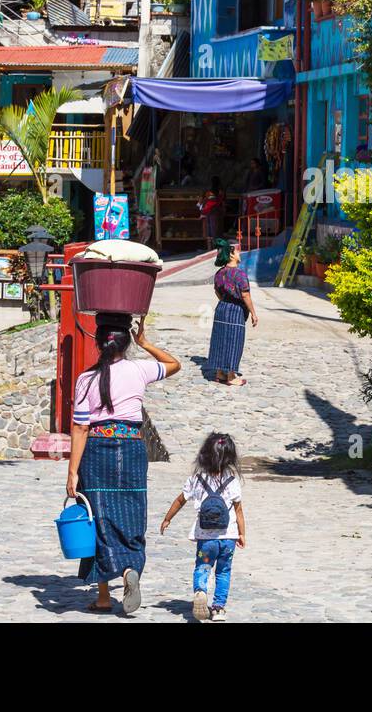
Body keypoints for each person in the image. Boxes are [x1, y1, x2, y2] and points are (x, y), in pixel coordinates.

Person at [66, 317, 181, 615]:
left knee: (99, 519)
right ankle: (130, 566)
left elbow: (80, 429)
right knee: (131, 511)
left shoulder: (85, 379)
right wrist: (145, 344)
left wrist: (72, 472)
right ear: (126, 343)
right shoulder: (139, 369)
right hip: (131, 447)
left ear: (97, 343)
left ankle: (104, 597)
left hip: (96, 451)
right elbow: (173, 364)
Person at [159, 432, 246, 622]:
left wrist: (167, 519)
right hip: (228, 538)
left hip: (206, 539)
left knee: (203, 566)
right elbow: (239, 511)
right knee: (223, 571)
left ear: (204, 454)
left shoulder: (197, 479)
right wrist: (242, 534)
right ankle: (219, 609)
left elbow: (180, 500)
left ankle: (200, 591)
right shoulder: (233, 481)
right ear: (230, 457)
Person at [207, 239, 257, 386]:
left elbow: (216, 291)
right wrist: (253, 313)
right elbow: (245, 295)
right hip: (235, 310)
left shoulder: (219, 273)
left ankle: (220, 373)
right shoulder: (239, 274)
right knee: (234, 341)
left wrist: (224, 300)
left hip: (221, 308)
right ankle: (231, 376)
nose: (239, 253)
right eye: (237, 251)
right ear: (231, 255)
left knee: (220, 340)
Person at [198, 175, 225, 247]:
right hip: (216, 212)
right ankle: (216, 246)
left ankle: (210, 247)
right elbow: (222, 200)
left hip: (208, 211)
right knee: (216, 229)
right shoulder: (220, 191)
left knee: (209, 229)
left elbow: (204, 200)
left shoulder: (208, 191)